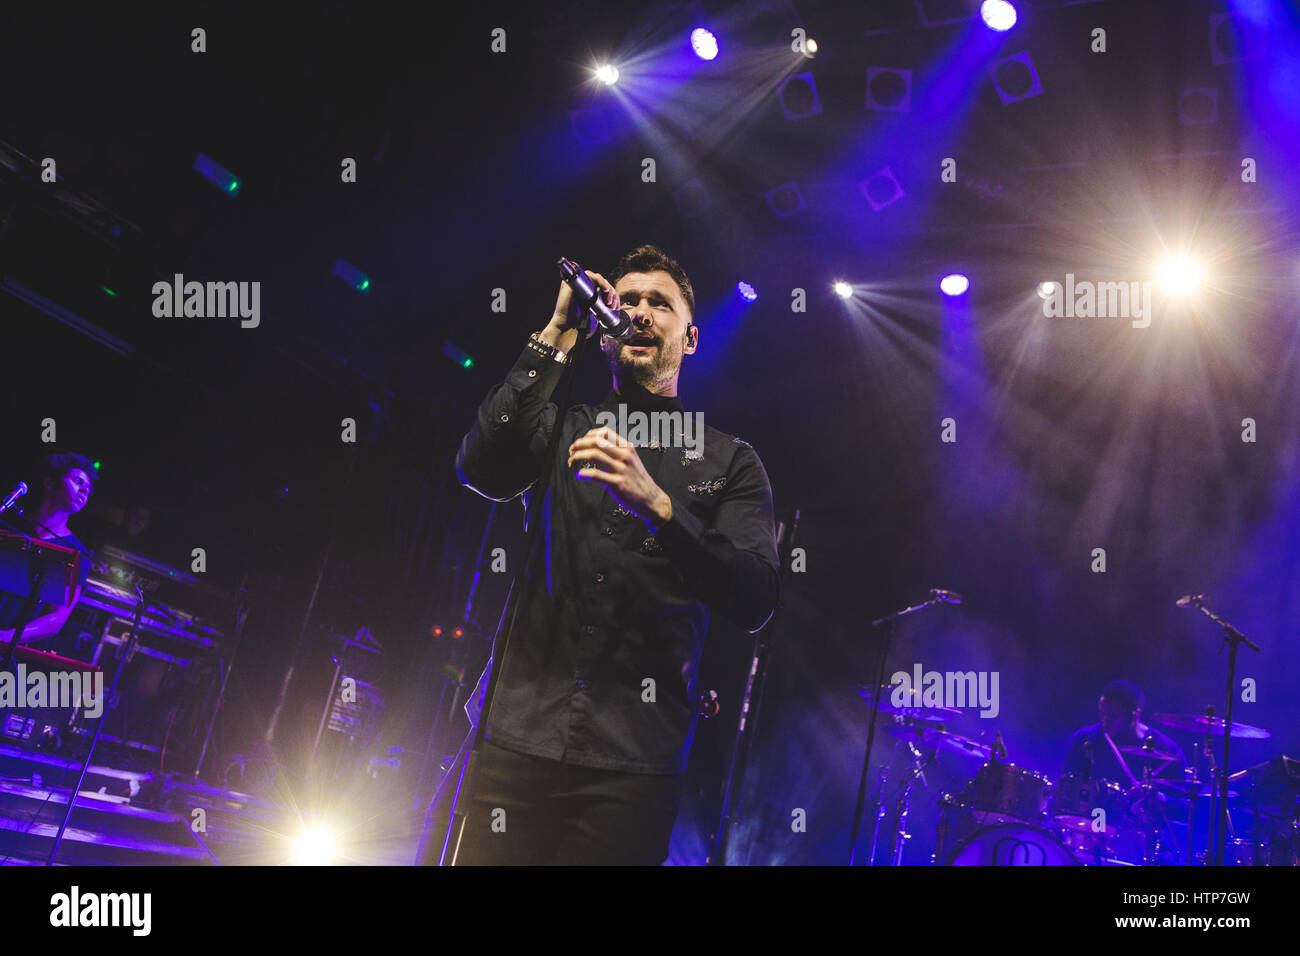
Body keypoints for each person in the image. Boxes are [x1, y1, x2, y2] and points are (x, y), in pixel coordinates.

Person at [446, 245, 780, 864]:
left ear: (693, 337)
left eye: (661, 303)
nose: (641, 313)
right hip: (517, 738)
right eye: (627, 301)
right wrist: (556, 331)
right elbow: (479, 466)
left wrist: (661, 509)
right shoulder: (562, 426)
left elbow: (755, 596)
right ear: (607, 328)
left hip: (632, 766)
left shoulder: (730, 460)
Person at [0, 452, 97, 646]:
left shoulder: (77, 554)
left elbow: (56, 620)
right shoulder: (8, 527)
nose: (83, 490)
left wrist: (7, 637)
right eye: (78, 481)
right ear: (50, 483)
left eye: (87, 489)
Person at [1062, 679, 1188, 785]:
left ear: (1136, 714)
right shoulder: (1083, 740)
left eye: (1113, 715)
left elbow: (1185, 803)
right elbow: (1063, 785)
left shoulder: (1168, 749)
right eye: (1102, 713)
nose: (1105, 721)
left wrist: (1159, 798)